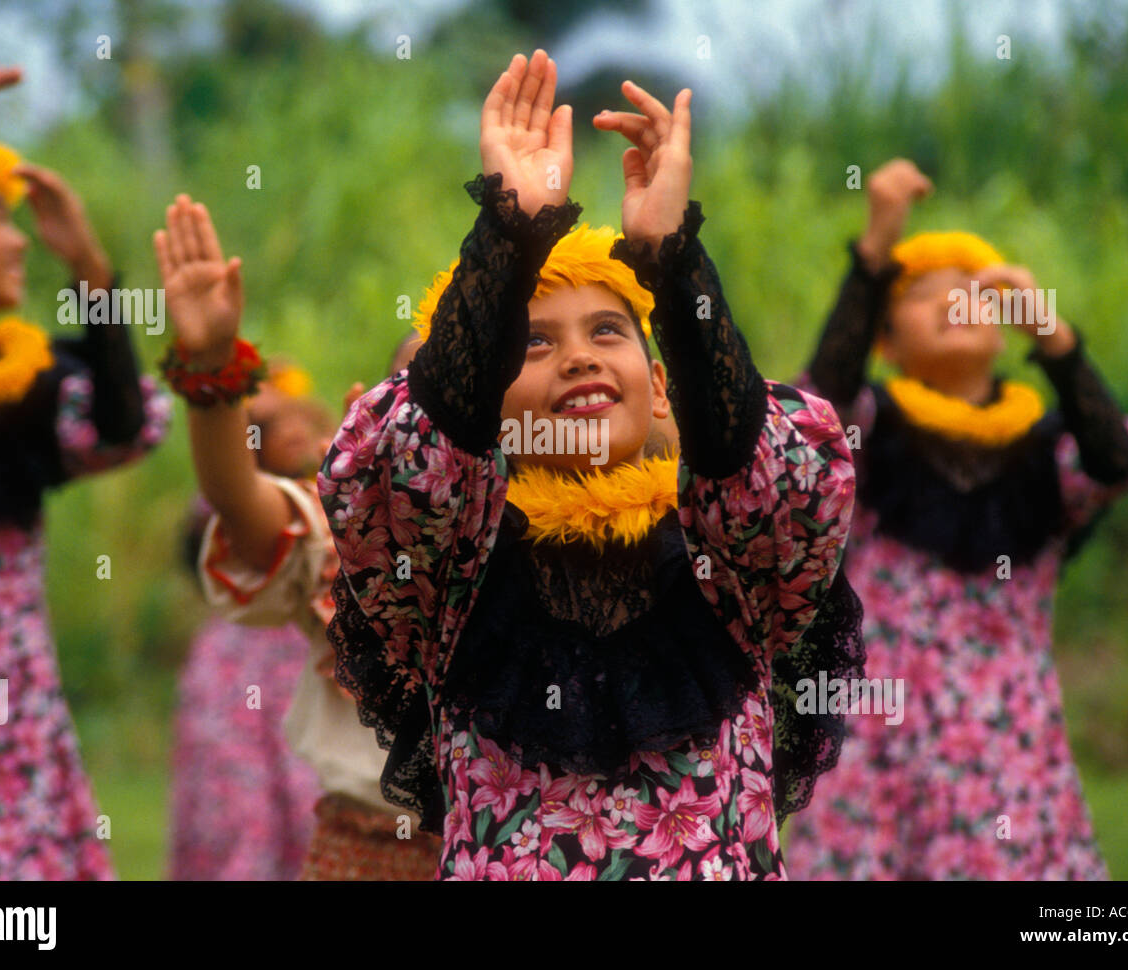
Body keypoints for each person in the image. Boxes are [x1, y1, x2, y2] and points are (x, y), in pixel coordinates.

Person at [315, 50, 862, 879]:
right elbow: (403, 469)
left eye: (609, 331)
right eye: (534, 342)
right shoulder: (450, 579)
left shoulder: (731, 570)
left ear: (663, 390)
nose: (579, 358)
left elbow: (770, 478)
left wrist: (671, 259)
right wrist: (511, 232)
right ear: (486, 398)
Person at [786, 158, 1128, 880]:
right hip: (878, 743)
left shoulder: (1051, 449)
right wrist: (875, 250)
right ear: (886, 340)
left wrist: (1055, 339)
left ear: (1003, 331)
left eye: (971, 292)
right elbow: (817, 409)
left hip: (1006, 752)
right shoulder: (870, 433)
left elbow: (1119, 460)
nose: (952, 301)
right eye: (921, 293)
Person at [0, 68, 169, 879]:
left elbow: (122, 424)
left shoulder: (28, 384)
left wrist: (91, 269)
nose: (20, 239)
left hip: (9, 712)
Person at [153, 194, 443, 877]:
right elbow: (239, 503)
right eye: (421, 383)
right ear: (372, 417)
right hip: (367, 856)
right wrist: (214, 369)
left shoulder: (568, 545)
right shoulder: (345, 534)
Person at [168, 362, 331, 880]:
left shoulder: (330, 489)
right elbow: (202, 550)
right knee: (238, 804)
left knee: (306, 796)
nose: (293, 433)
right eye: (270, 424)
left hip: (301, 658)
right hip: (238, 666)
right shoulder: (229, 498)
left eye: (295, 420)